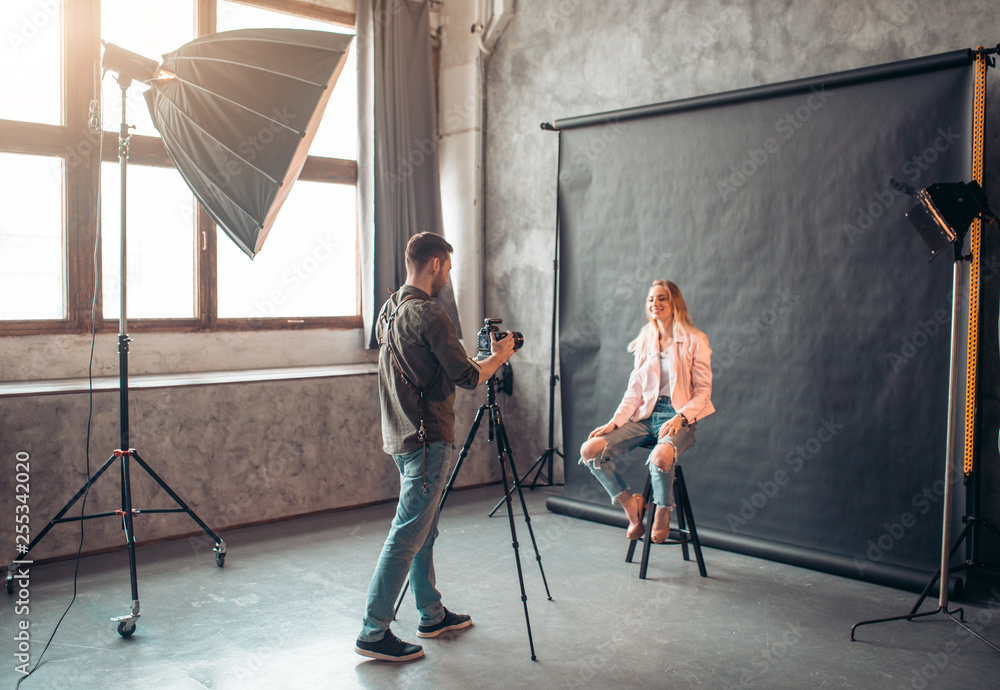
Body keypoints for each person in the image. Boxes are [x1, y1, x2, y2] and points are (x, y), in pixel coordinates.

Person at [355, 232, 517, 662]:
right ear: (435, 264)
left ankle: (431, 614)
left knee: (423, 528)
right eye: (447, 267)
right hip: (428, 439)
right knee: (407, 533)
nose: (447, 276)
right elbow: (469, 377)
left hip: (400, 435)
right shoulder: (430, 314)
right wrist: (500, 355)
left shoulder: (389, 309)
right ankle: (373, 630)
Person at [579, 280, 714, 544]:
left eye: (662, 298)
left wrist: (680, 417)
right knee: (589, 450)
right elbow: (634, 391)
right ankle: (632, 506)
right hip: (646, 417)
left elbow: (703, 392)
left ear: (675, 302)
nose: (655, 304)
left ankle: (662, 510)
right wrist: (614, 422)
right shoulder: (645, 340)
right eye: (651, 299)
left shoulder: (695, 339)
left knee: (660, 457)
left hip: (680, 418)